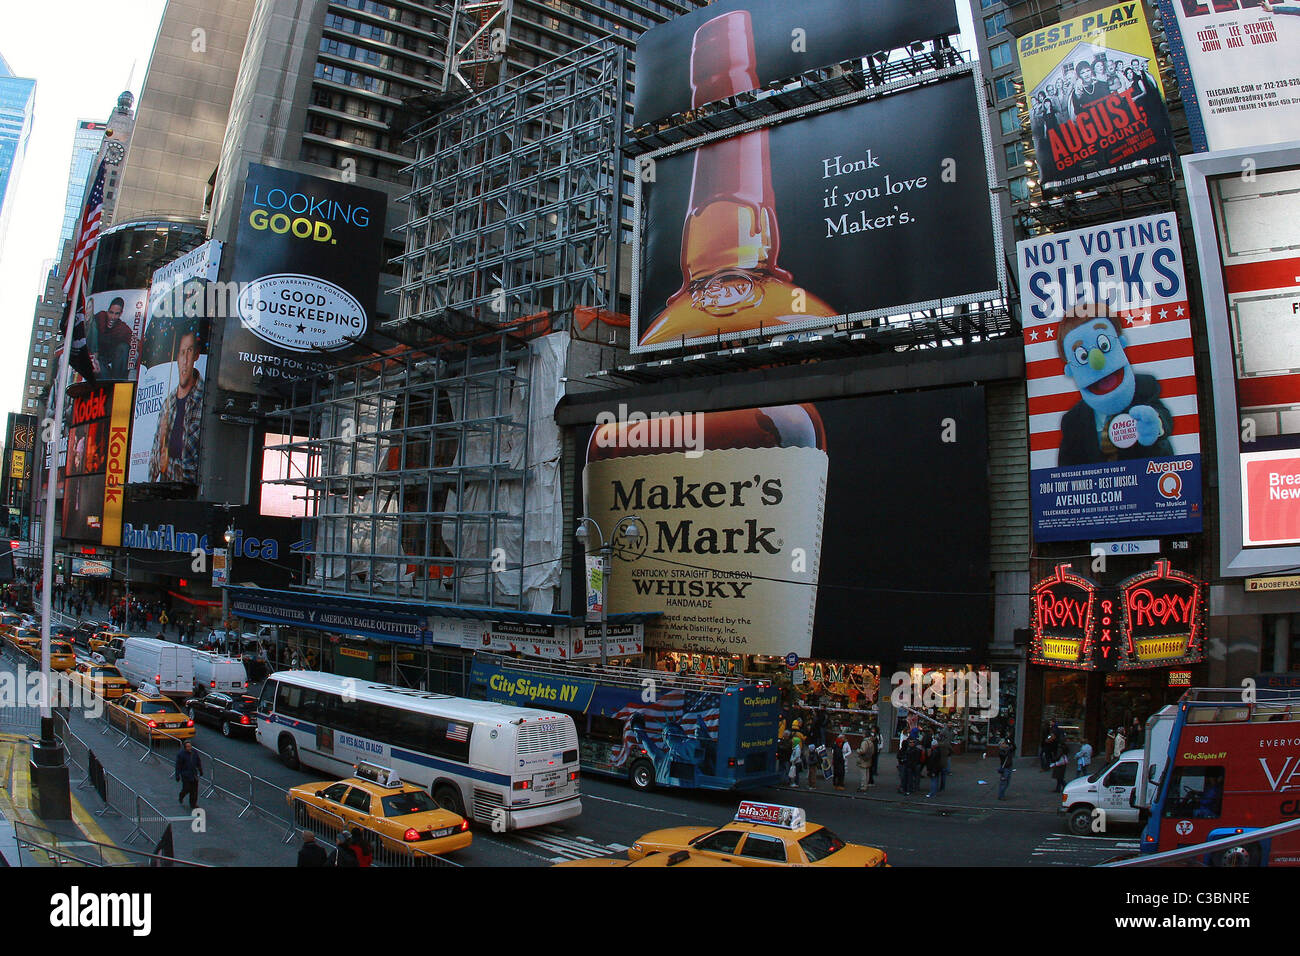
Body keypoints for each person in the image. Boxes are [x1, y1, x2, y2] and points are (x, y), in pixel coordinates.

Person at [148, 330, 204, 483]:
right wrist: (161, 444)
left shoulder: (204, 398)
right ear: (177, 358)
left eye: (190, 351)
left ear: (196, 355)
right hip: (164, 489)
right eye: (181, 353)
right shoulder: (168, 403)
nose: (185, 360)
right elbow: (154, 464)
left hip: (191, 493)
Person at [89, 296, 133, 380]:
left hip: (112, 358)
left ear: (121, 314)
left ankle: (119, 379)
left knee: (124, 347)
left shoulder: (122, 328)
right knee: (104, 378)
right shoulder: (100, 317)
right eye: (111, 312)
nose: (112, 317)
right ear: (107, 311)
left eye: (116, 314)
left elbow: (134, 342)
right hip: (96, 357)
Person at [174, 739, 203, 810]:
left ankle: (193, 804)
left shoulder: (194, 752)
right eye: (188, 747)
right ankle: (182, 795)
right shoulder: (181, 754)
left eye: (190, 746)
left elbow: (198, 761)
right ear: (185, 747)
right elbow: (178, 765)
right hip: (185, 775)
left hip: (193, 774)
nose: (189, 748)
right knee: (186, 788)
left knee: (194, 790)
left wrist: (200, 769)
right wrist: (177, 775)